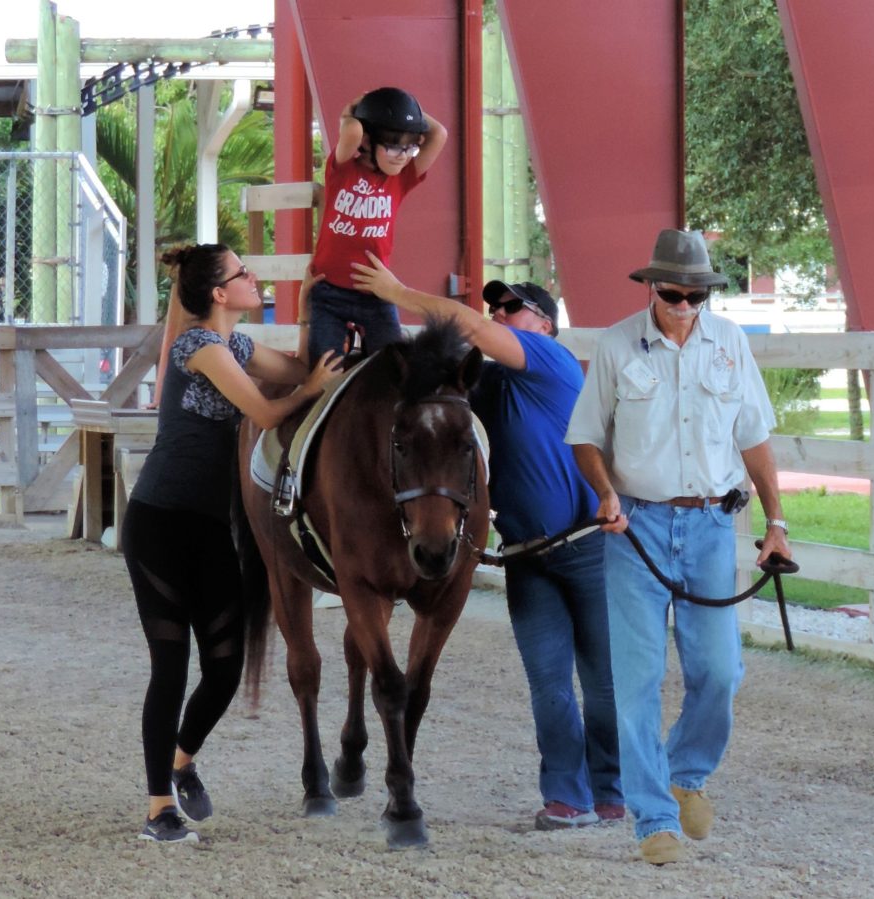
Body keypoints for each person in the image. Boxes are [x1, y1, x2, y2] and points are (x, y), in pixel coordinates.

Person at [351, 252, 622, 831]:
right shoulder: (477, 386)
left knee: (603, 679)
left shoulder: (550, 361)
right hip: (527, 552)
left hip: (587, 546)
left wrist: (398, 291)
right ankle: (567, 796)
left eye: (513, 310)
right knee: (550, 684)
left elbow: (467, 328)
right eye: (494, 307)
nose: (498, 314)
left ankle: (614, 789)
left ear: (545, 325)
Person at [565, 229, 792, 866]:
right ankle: (652, 819)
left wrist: (776, 522)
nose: (685, 304)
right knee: (636, 678)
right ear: (651, 288)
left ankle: (684, 774)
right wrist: (606, 494)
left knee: (720, 671)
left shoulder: (730, 346)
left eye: (697, 294)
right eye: (673, 293)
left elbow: (754, 438)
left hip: (713, 527)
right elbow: (584, 436)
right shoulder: (615, 345)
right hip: (635, 527)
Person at [125, 243, 342, 843]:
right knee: (170, 667)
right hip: (159, 522)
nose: (252, 277)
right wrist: (310, 386)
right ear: (219, 294)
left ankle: (181, 758)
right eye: (242, 273)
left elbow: (303, 372)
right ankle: (157, 809)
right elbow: (269, 413)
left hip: (209, 525)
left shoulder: (237, 346)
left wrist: (308, 306)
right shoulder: (199, 347)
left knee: (225, 668)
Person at [297, 87, 448, 365]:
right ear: (367, 141)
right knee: (322, 372)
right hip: (328, 293)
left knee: (394, 369)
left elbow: (439, 135)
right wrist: (357, 106)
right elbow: (352, 129)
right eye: (393, 145)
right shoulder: (341, 170)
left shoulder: (402, 179)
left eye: (409, 147)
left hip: (376, 292)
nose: (402, 155)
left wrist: (406, 113)